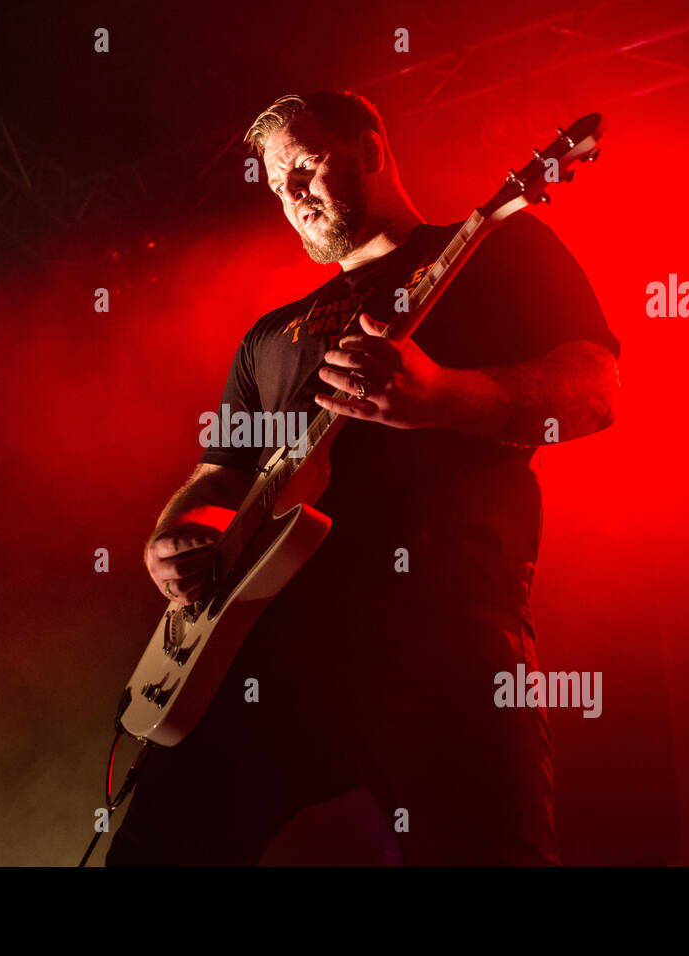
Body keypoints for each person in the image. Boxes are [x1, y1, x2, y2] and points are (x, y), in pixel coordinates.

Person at [105, 90, 621, 865]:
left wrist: (442, 395)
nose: (292, 195)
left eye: (306, 166)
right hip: (265, 641)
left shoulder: (498, 246)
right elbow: (219, 475)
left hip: (440, 624)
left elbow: (596, 393)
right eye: (277, 184)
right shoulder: (267, 336)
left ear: (371, 150)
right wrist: (173, 537)